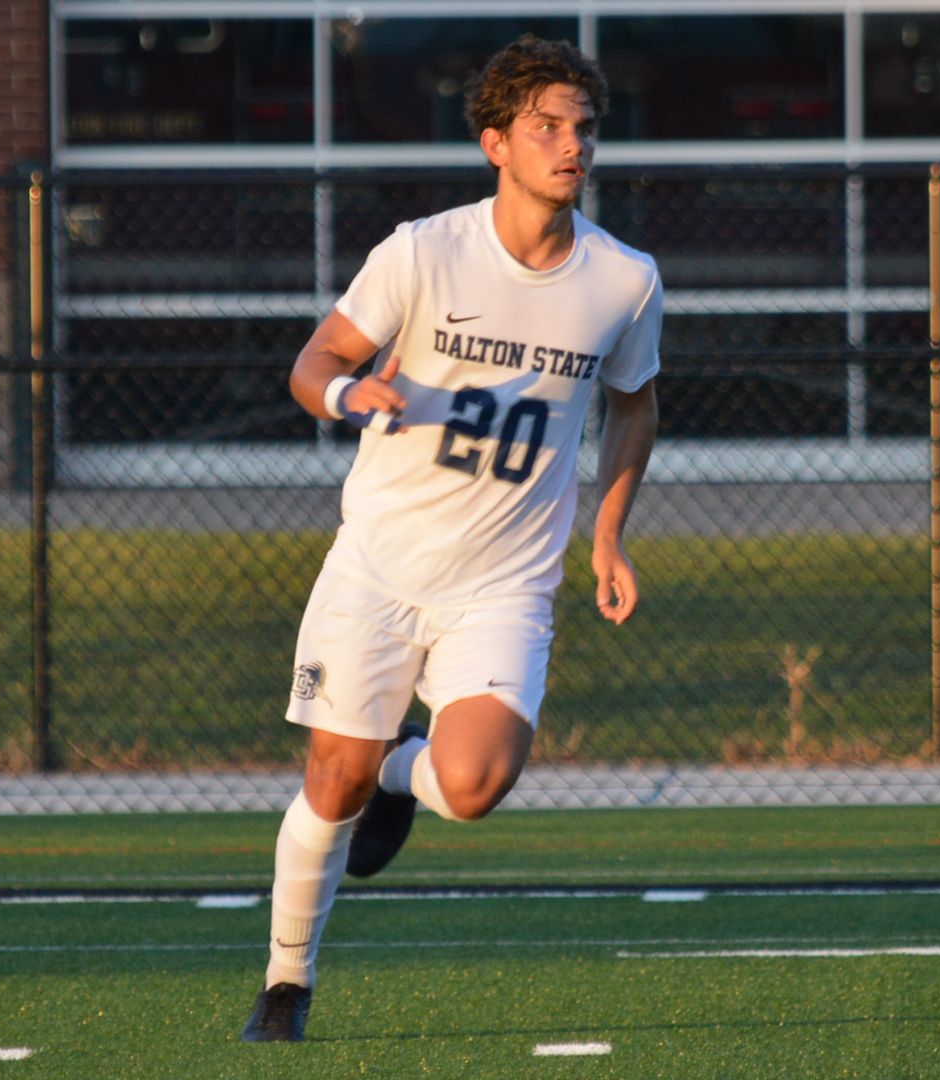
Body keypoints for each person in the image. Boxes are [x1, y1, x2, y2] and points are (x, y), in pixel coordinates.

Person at [240, 36, 663, 1044]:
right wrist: (351, 391)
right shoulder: (423, 250)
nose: (571, 146)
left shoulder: (625, 279)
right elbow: (314, 361)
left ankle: (405, 773)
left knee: (472, 787)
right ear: (495, 144)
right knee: (329, 784)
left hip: (504, 588)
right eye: (547, 128)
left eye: (583, 128)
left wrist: (607, 536)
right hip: (380, 568)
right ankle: (286, 984)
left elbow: (635, 409)